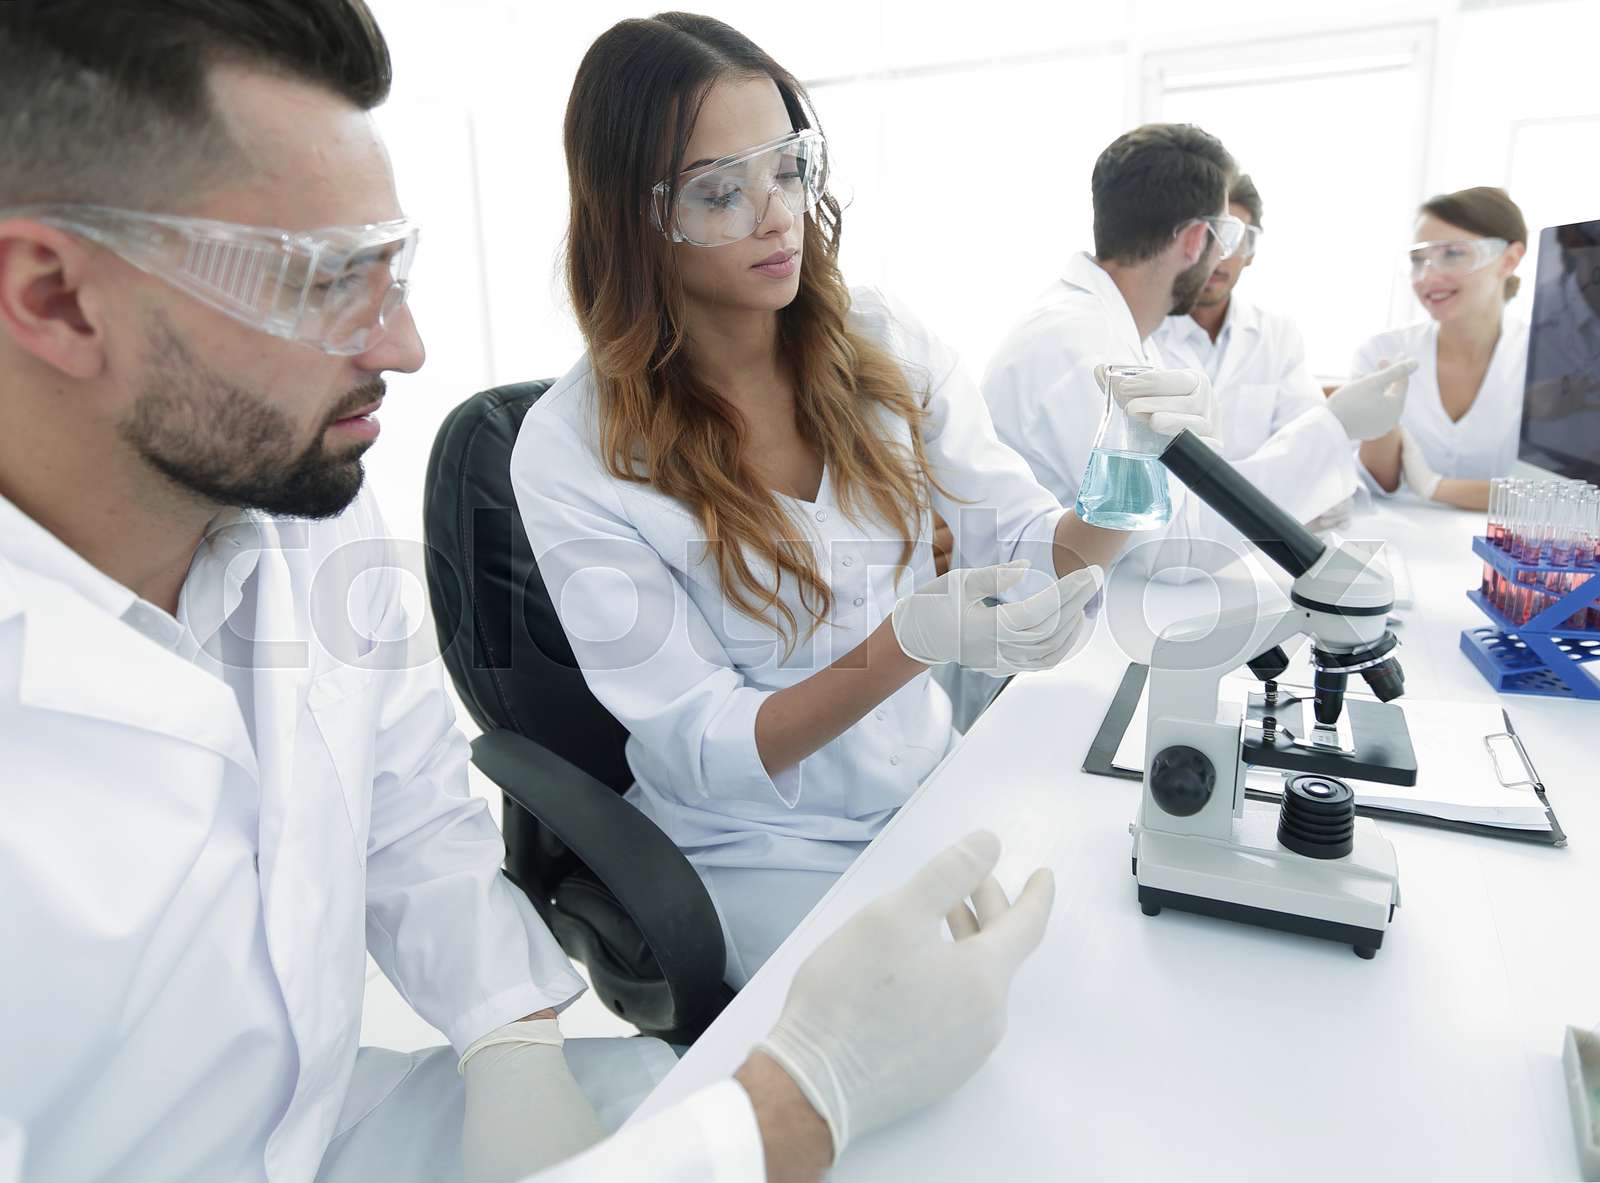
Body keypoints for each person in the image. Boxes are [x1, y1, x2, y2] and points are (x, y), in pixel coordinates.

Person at [0, 4, 1060, 1181]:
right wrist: (800, 1099)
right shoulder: (569, 447)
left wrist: (510, 1037)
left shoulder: (298, 519)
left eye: (390, 268)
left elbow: (410, 817)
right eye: (325, 281)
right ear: (55, 298)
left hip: (343, 1124)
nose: (404, 344)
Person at [510, 13, 1206, 989]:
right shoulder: (573, 447)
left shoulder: (879, 341)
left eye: (789, 168)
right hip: (753, 848)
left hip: (922, 788)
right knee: (931, 1035)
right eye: (719, 191)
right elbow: (707, 743)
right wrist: (913, 642)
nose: (775, 215)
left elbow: (1029, 542)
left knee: (1095, 974)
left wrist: (1130, 459)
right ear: (634, 215)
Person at [983, 126, 1415, 577]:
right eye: (1224, 236)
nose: (1224, 257)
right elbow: (1173, 549)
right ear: (1194, 240)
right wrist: (1333, 427)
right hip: (1055, 620)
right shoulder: (1084, 348)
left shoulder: (1101, 325)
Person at [1152, 174, 1360, 528]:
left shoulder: (1277, 334)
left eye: (1236, 239)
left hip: (1258, 545)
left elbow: (1309, 445)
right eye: (1208, 237)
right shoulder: (1143, 334)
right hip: (1168, 539)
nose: (1220, 255)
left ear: (1251, 253)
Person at [1355, 187, 1530, 512]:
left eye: (1452, 254)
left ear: (1508, 260)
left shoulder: (1543, 361)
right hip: (1397, 539)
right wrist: (1380, 426)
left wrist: (1436, 488)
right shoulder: (1383, 351)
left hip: (1505, 552)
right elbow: (1376, 483)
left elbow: (1560, 496)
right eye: (1419, 260)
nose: (1428, 276)